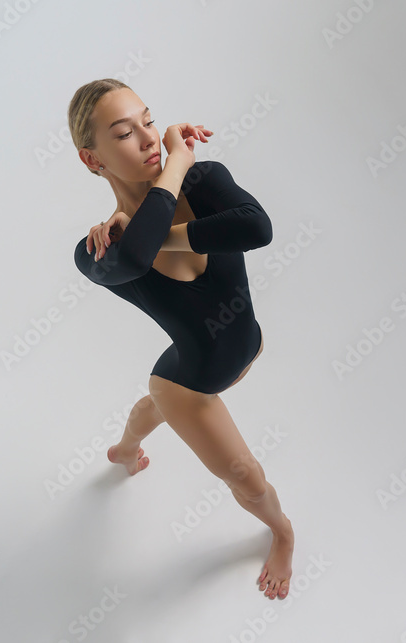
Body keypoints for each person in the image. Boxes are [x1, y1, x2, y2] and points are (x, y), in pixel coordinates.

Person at [67, 79, 294, 600]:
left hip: (238, 349)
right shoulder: (98, 251)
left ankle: (124, 448)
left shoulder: (206, 181)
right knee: (246, 475)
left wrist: (175, 185)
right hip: (191, 383)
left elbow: (257, 229)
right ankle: (282, 531)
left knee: (154, 403)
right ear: (91, 159)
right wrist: (175, 162)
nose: (148, 139)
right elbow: (134, 258)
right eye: (125, 133)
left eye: (150, 121)